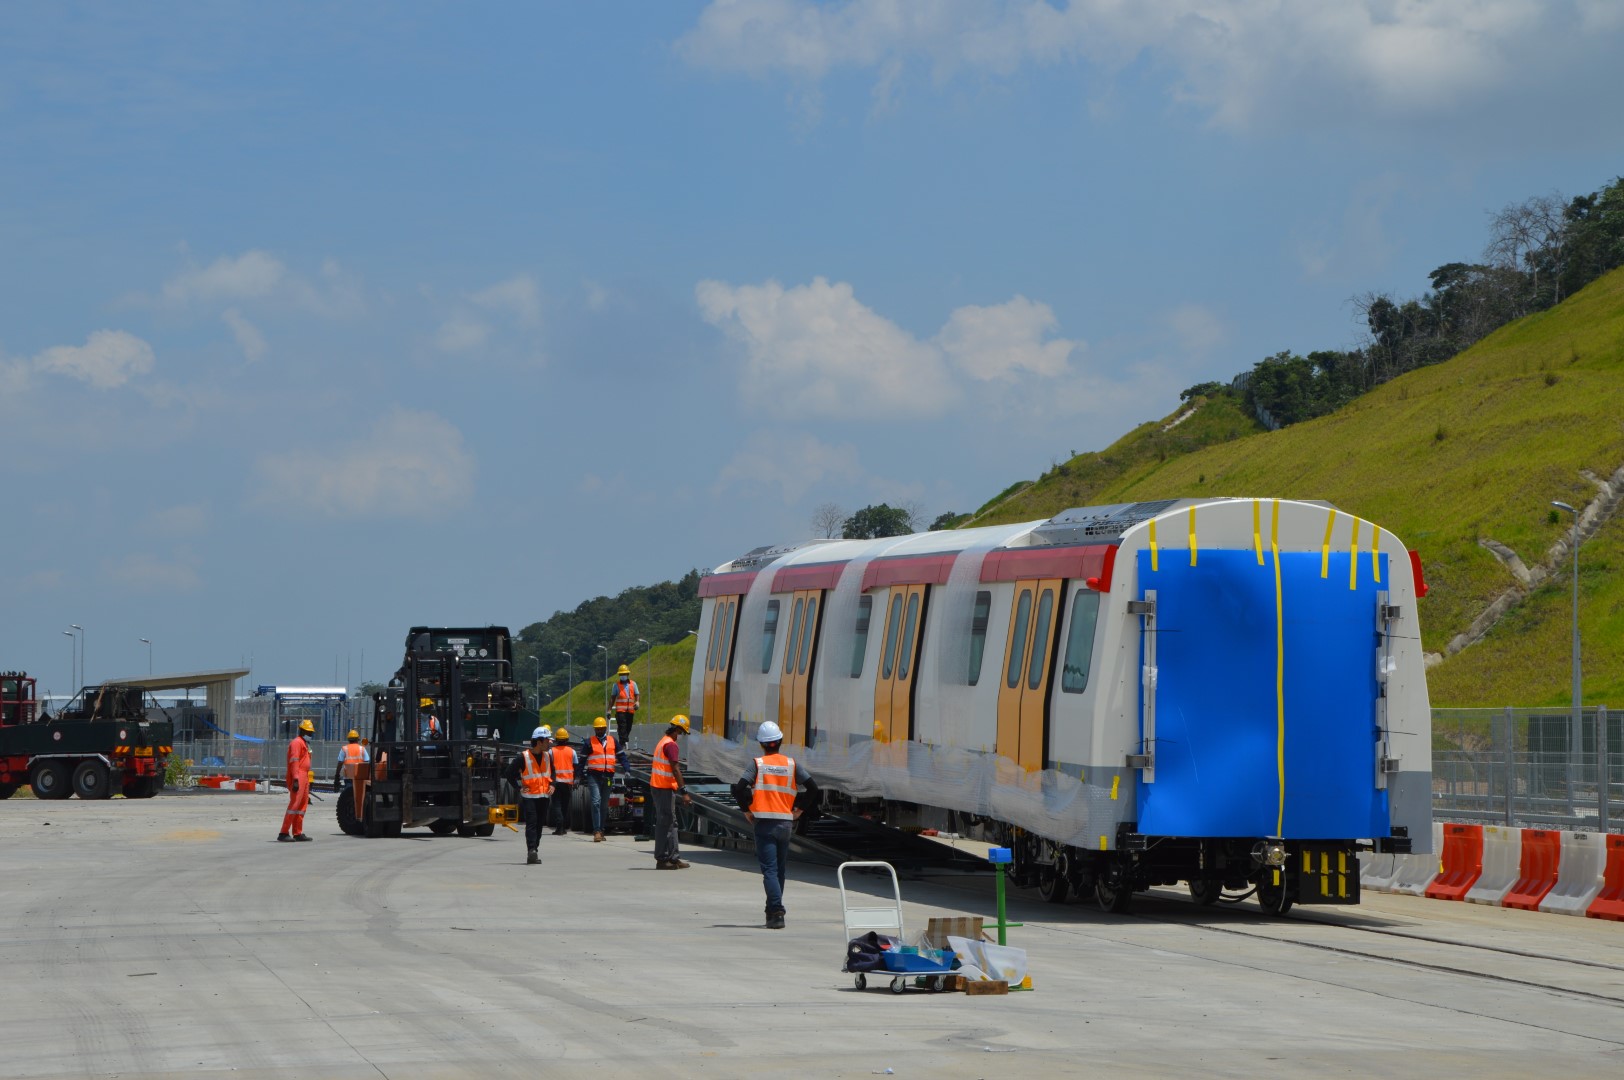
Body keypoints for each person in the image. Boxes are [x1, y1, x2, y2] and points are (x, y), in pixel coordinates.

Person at [733, 720, 817, 928]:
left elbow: (739, 788)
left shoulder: (757, 764)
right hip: (785, 824)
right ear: (780, 741)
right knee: (779, 870)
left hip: (764, 823)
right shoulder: (791, 764)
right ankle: (772, 911)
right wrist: (799, 810)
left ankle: (777, 911)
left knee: (769, 870)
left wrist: (746, 810)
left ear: (761, 744)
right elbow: (813, 788)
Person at [504, 726, 553, 864]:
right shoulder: (523, 757)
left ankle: (535, 850)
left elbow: (553, 772)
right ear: (539, 742)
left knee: (539, 826)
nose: (550, 743)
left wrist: (553, 785)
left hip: (544, 797)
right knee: (532, 824)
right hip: (530, 797)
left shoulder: (548, 756)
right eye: (547, 740)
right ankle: (531, 850)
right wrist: (518, 787)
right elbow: (508, 773)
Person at [649, 714, 693, 869]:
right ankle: (662, 859)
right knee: (665, 823)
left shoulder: (663, 741)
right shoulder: (671, 745)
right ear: (677, 730)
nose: (680, 736)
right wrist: (684, 792)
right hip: (663, 788)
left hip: (661, 787)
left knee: (670, 822)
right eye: (681, 733)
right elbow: (675, 768)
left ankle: (673, 857)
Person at [278, 718, 315, 842]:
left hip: (304, 776)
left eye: (311, 733)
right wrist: (295, 779)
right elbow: (294, 761)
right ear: (302, 731)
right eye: (308, 732)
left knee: (302, 805)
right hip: (298, 775)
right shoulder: (297, 743)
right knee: (294, 805)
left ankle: (297, 832)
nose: (310, 735)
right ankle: (283, 832)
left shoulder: (304, 743)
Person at [584, 716, 617, 842]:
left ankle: (601, 830)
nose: (599, 731)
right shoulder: (589, 742)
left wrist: (627, 769)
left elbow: (621, 755)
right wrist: (577, 776)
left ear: (605, 728)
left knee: (604, 805)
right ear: (594, 730)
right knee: (596, 802)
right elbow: (582, 760)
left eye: (601, 729)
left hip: (608, 776)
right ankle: (596, 830)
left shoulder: (612, 741)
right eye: (597, 729)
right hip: (594, 776)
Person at [549, 728, 580, 836]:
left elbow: (548, 767)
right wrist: (576, 779)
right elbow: (576, 767)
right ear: (567, 739)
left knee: (556, 805)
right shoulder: (572, 751)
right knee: (565, 806)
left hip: (556, 782)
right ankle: (562, 828)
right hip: (568, 783)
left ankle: (559, 828)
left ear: (556, 739)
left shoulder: (551, 751)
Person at [611, 664, 639, 764]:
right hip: (620, 711)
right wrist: (609, 710)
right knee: (622, 726)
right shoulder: (616, 685)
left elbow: (636, 694)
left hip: (630, 711)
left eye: (624, 674)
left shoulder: (633, 684)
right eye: (621, 674)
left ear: (627, 674)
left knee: (628, 727)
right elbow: (612, 698)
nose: (623, 676)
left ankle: (622, 741)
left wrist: (637, 702)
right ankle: (622, 744)